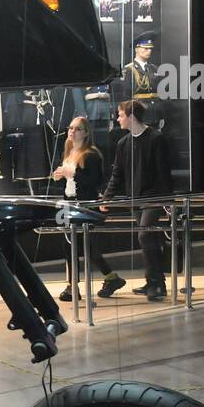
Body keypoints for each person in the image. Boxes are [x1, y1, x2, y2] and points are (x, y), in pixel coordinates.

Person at [101, 99, 173, 301]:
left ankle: (156, 283)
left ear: (131, 116)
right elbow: (117, 174)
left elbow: (163, 172)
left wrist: (167, 200)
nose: (118, 118)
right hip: (136, 198)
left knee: (144, 235)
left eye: (120, 115)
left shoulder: (156, 138)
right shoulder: (123, 143)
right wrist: (107, 197)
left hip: (154, 197)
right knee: (146, 238)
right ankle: (154, 281)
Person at [52, 115, 127, 301]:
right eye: (70, 127)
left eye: (77, 128)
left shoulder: (92, 155)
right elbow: (69, 185)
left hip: (83, 205)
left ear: (86, 133)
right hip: (69, 204)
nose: (72, 131)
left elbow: (94, 182)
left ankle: (74, 286)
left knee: (78, 245)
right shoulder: (69, 153)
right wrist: (60, 177)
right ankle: (108, 278)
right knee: (77, 245)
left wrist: (73, 174)